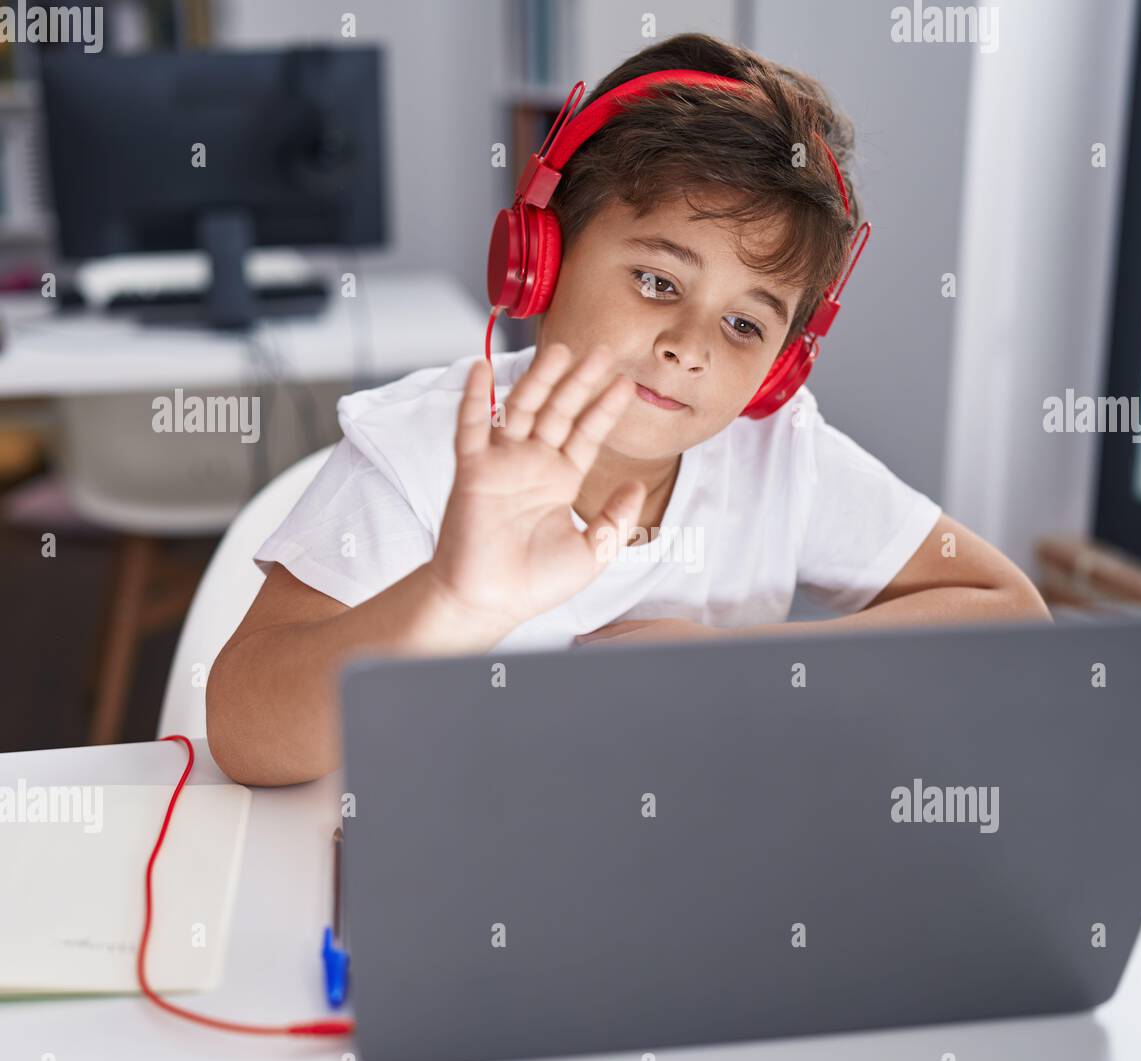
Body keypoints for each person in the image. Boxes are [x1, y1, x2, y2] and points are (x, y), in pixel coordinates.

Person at [207, 33, 1049, 787]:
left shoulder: (777, 454)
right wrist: (452, 601)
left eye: (745, 324)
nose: (692, 346)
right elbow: (244, 732)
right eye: (658, 281)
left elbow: (1009, 616)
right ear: (541, 259)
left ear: (783, 365)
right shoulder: (419, 452)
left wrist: (727, 664)